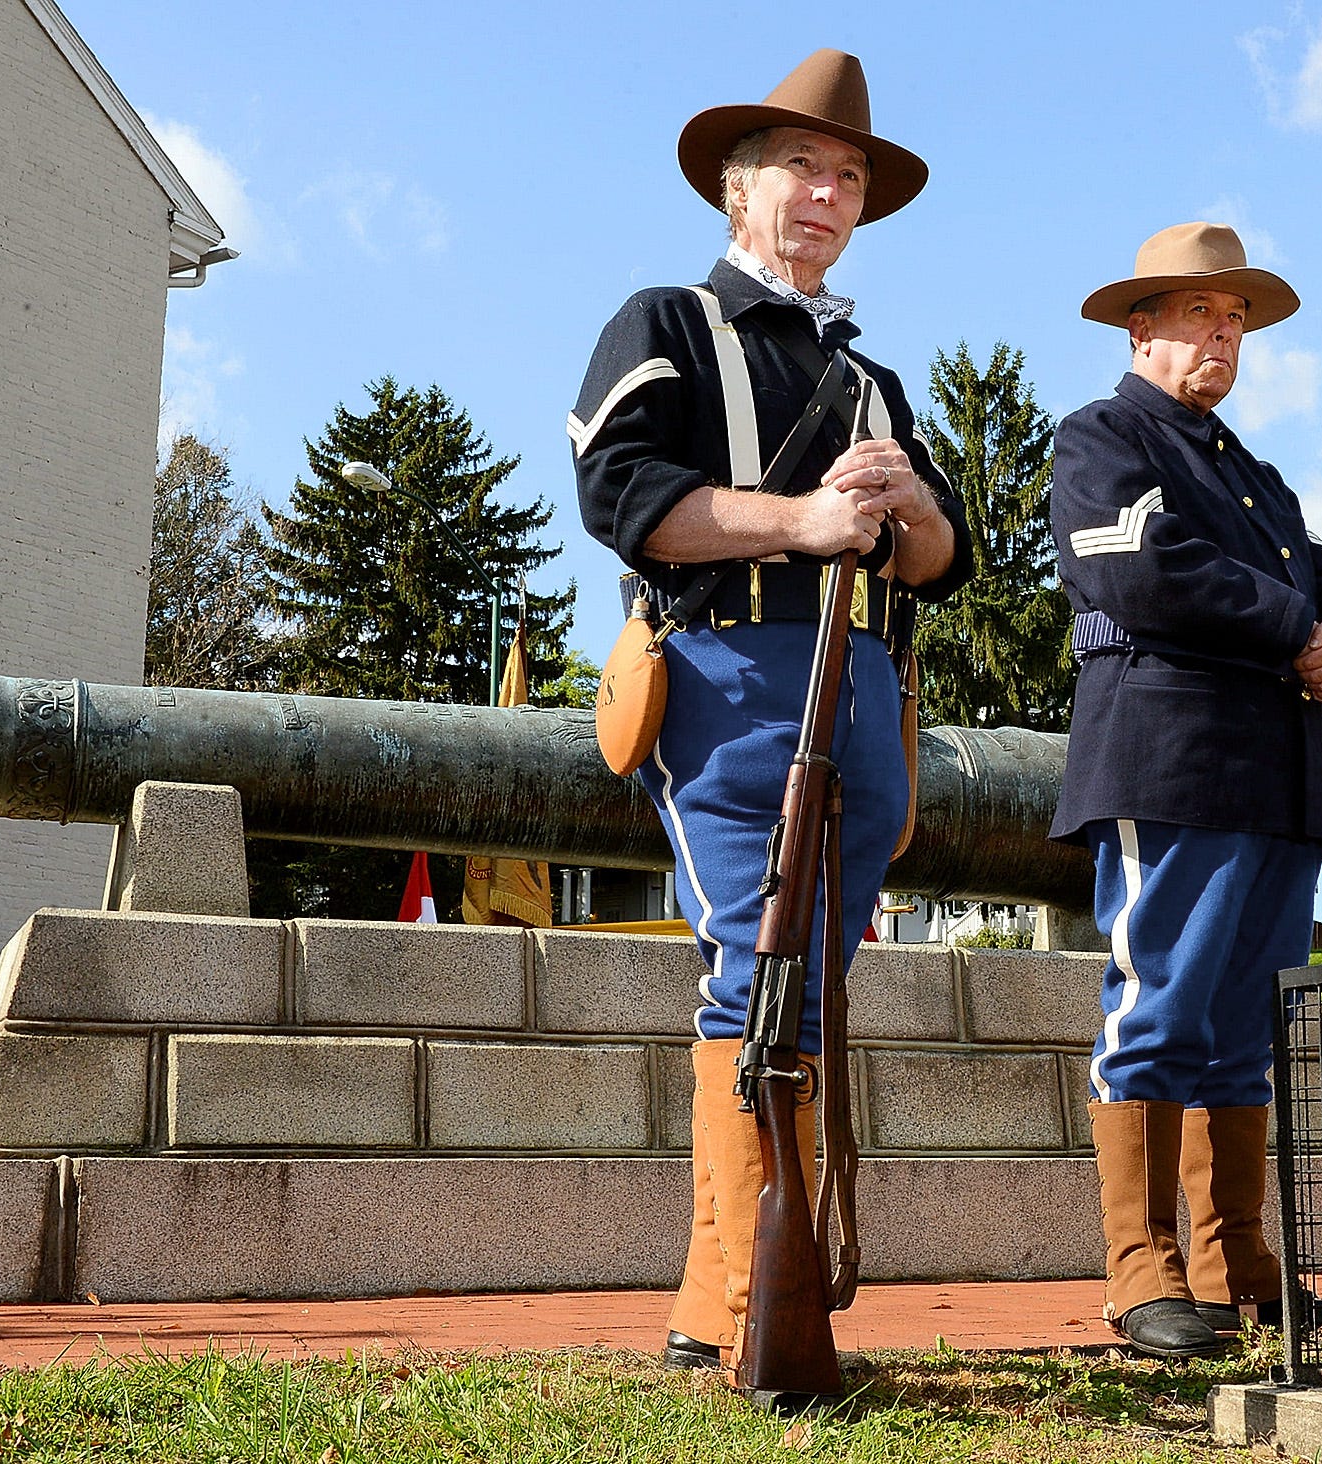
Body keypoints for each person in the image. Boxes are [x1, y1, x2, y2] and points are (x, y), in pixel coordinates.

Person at [569, 49, 971, 1374]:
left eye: (848, 176)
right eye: (802, 166)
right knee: (761, 969)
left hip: (865, 687)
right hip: (731, 680)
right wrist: (803, 520)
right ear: (737, 189)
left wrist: (910, 511)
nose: (828, 193)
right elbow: (623, 496)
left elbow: (945, 562)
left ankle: (711, 1311)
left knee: (808, 980)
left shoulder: (874, 382)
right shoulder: (666, 322)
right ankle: (762, 1320)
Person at [1049, 222, 1322, 1359]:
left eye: (1235, 319)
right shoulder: (1103, 437)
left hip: (1279, 775)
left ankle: (1233, 1263)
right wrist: (1305, 627)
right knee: (1158, 1008)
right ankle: (1141, 1269)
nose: (1223, 335)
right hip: (1172, 755)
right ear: (1139, 329)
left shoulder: (1252, 476)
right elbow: (1143, 567)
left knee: (1246, 1030)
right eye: (1200, 312)